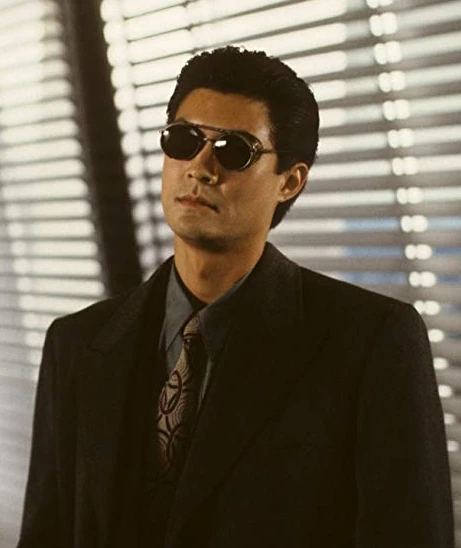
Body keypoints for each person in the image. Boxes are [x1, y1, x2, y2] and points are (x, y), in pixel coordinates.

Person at [17, 46, 454, 548]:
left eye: (234, 150)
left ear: (290, 181)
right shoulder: (75, 343)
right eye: (184, 140)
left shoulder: (373, 343)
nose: (200, 167)